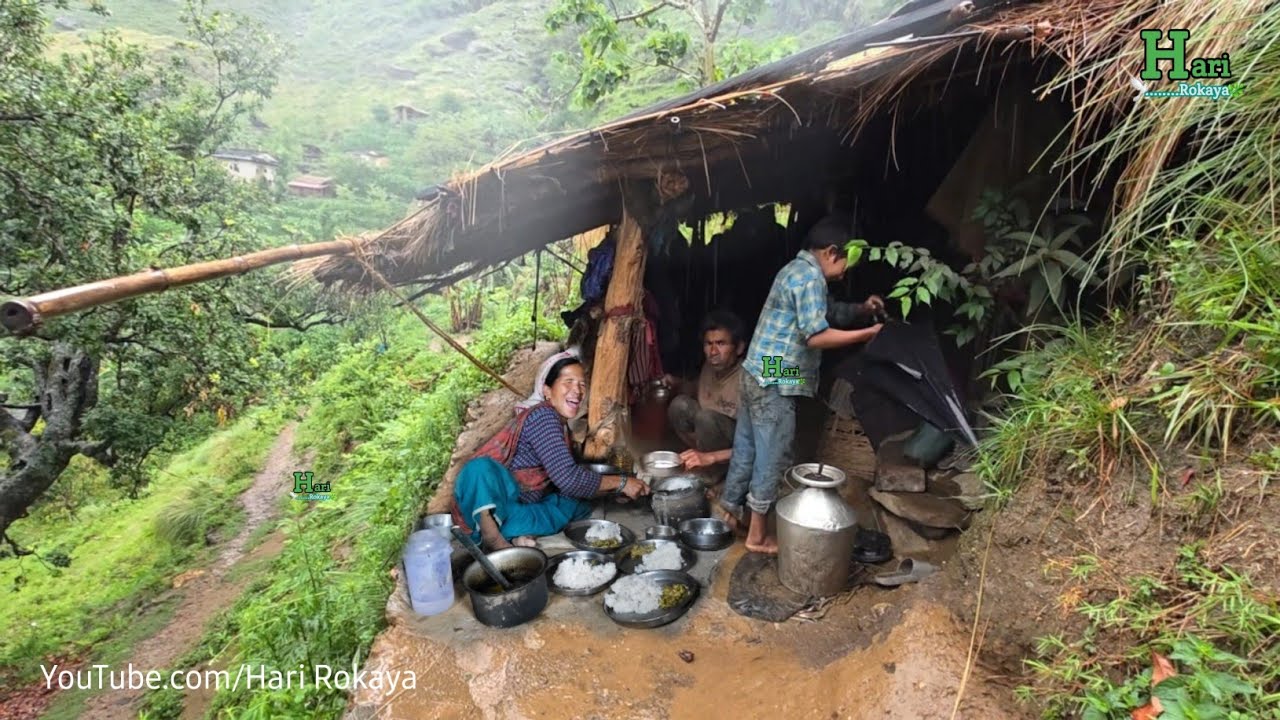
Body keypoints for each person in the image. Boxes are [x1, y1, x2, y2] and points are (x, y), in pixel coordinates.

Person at [719, 215, 885, 554]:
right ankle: (757, 536)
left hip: (760, 368)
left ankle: (729, 514)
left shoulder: (796, 270)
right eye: (846, 263)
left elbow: (829, 312)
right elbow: (817, 336)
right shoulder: (810, 279)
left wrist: (862, 310)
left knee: (748, 447)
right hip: (774, 377)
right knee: (774, 454)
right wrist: (868, 334)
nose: (846, 271)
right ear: (832, 252)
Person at [451, 353, 650, 550]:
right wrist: (621, 483)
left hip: (519, 511)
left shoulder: (561, 425)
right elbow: (568, 479)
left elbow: (568, 479)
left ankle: (513, 535)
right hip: (494, 505)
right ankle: (493, 536)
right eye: (568, 382)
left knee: (573, 504)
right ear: (547, 390)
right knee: (479, 468)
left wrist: (614, 489)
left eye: (582, 384)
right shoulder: (543, 416)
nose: (577, 391)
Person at [664, 311, 746, 477]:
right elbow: (699, 389)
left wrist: (800, 378)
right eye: (709, 344)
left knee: (706, 418)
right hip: (708, 435)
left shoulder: (752, 374)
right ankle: (699, 455)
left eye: (721, 343)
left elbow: (797, 379)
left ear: (739, 348)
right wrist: (677, 383)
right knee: (679, 405)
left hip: (739, 446)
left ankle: (716, 471)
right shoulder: (709, 367)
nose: (713, 351)